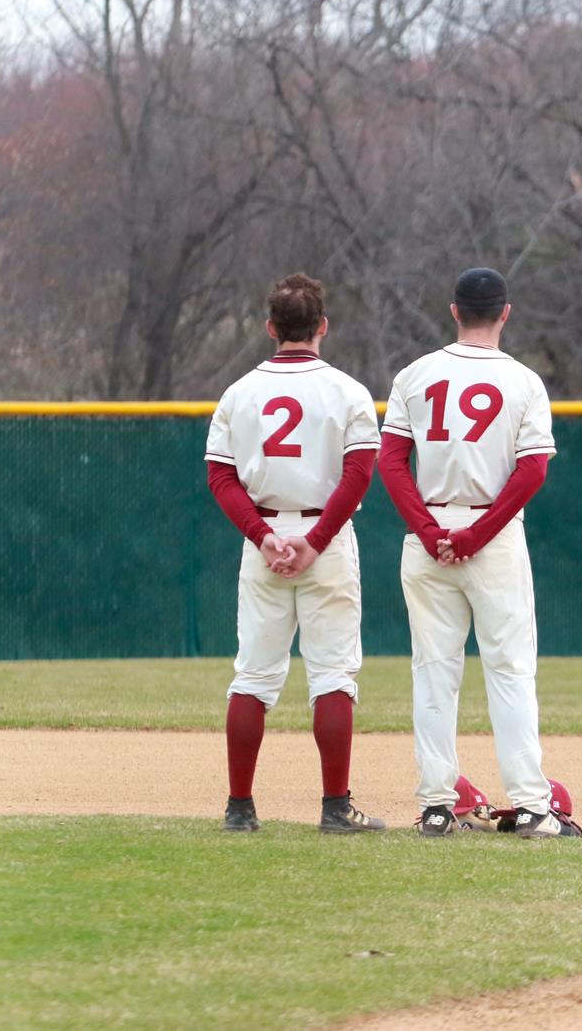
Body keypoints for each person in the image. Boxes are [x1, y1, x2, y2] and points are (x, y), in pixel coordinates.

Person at [378, 267, 569, 838]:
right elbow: (532, 470)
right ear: (506, 313)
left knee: (433, 674)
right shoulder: (524, 382)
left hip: (429, 537)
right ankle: (534, 807)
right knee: (510, 671)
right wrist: (476, 536)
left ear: (454, 311)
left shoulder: (413, 375)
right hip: (493, 538)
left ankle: (437, 807)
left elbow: (390, 463)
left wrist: (430, 530)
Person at [203, 273, 385, 835]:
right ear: (322, 326)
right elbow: (358, 476)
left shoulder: (239, 393)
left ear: (270, 328)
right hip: (322, 540)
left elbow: (221, 476)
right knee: (332, 675)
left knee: (253, 677)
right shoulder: (349, 391)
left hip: (265, 542)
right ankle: (335, 808)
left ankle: (239, 809)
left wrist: (262, 537)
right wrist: (315, 541)